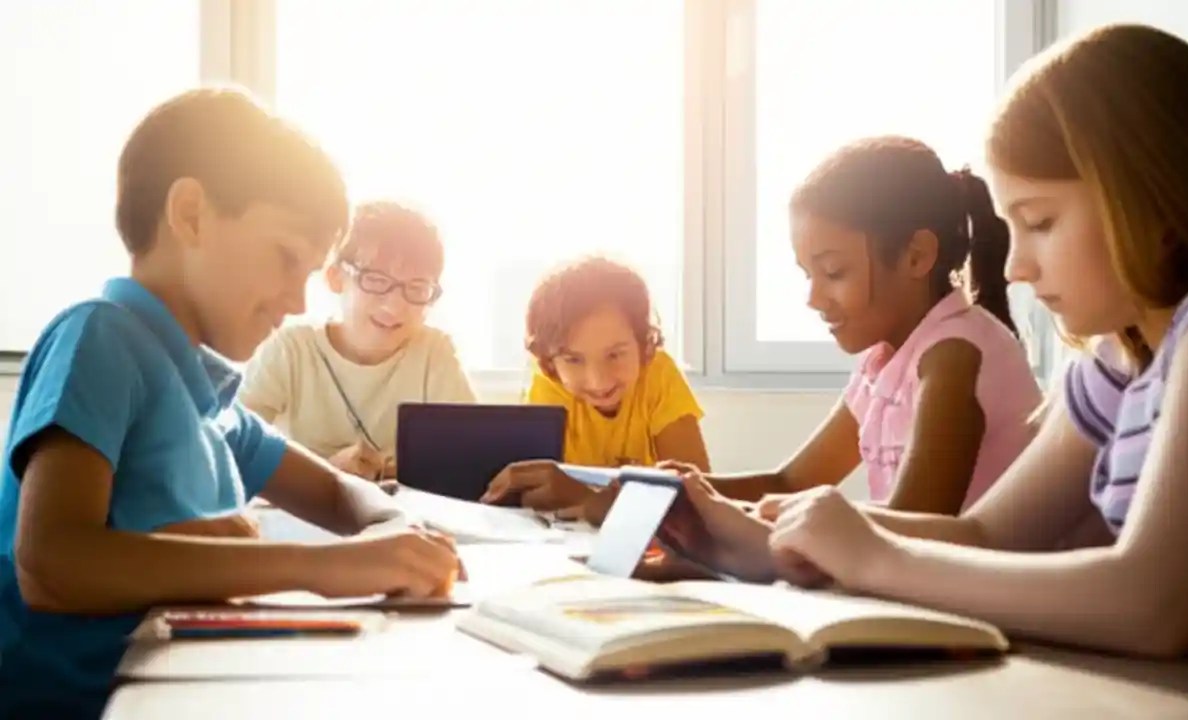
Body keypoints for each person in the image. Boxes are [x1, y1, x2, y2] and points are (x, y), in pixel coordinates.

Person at [660, 24, 1188, 670]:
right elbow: (986, 535)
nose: (1014, 267)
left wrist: (873, 557)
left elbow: (1156, 603)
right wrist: (764, 537)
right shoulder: (1120, 358)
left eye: (1040, 222)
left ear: (1154, 191)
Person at [0, 89, 459, 718]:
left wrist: (391, 528)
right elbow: (51, 563)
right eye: (285, 258)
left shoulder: (210, 403)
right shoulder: (101, 337)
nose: (299, 301)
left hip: (184, 685)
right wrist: (318, 567)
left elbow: (334, 494)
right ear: (190, 213)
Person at [710, 137, 1041, 519]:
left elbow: (914, 527)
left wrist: (794, 521)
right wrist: (690, 488)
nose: (813, 298)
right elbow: (790, 482)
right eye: (808, 275)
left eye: (833, 272)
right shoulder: (885, 360)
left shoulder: (953, 358)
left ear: (917, 256)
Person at [240, 200, 476, 482]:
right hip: (309, 510)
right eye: (376, 281)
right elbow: (232, 446)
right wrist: (328, 471)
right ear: (336, 278)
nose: (395, 306)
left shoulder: (434, 352)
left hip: (404, 514)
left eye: (416, 288)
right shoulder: (291, 349)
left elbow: (469, 454)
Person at [481, 257, 708, 524]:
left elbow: (701, 496)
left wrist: (591, 498)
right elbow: (537, 499)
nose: (598, 381)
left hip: (647, 537)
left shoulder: (659, 374)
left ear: (644, 345)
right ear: (549, 361)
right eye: (573, 359)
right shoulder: (546, 385)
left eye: (615, 354)